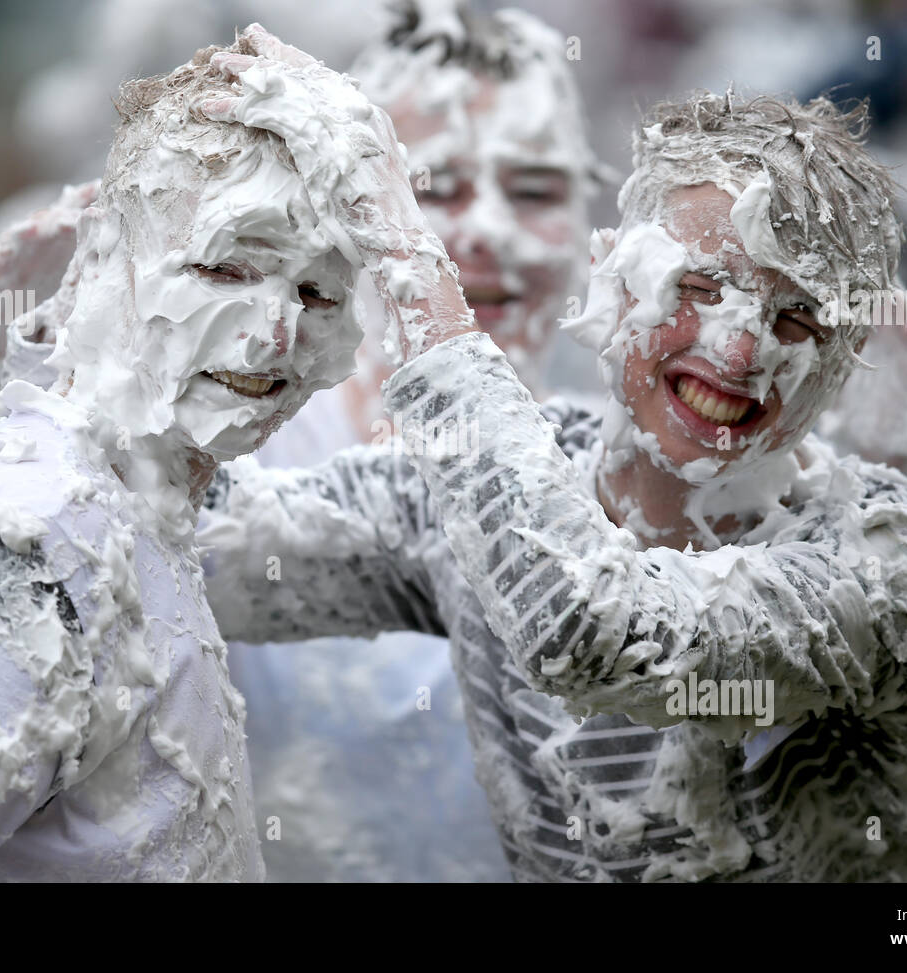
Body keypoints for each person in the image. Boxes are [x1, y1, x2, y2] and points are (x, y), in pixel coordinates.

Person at [199, 38, 907, 881]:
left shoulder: (888, 556)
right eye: (699, 288)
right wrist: (99, 350)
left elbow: (589, 627)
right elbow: (208, 547)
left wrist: (405, 251)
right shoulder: (507, 487)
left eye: (797, 319)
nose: (737, 351)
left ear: (845, 361)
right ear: (606, 277)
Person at [0, 32, 377, 882]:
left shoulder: (153, 501)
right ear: (109, 260)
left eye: (317, 290)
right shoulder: (35, 539)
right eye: (228, 267)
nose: (277, 330)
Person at [227, 2, 604, 882]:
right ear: (349, 209)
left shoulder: (641, 462)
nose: (490, 232)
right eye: (435, 190)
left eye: (538, 190)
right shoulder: (256, 442)